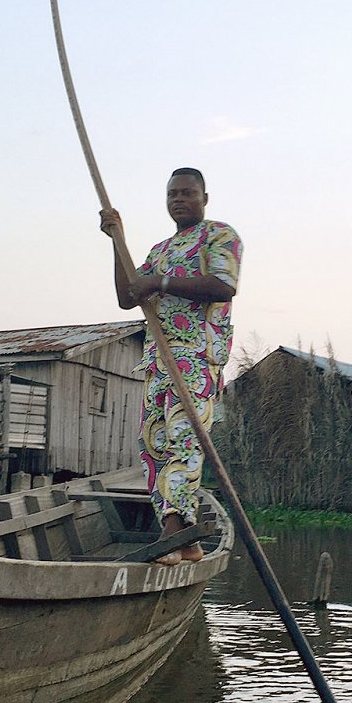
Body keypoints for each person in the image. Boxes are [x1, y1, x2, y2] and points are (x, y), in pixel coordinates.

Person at [100, 168, 242, 565]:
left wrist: (160, 283)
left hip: (196, 357)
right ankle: (187, 541)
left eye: (186, 193)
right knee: (154, 445)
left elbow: (222, 285)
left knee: (185, 439)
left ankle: (173, 532)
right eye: (172, 195)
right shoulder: (160, 250)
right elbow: (128, 296)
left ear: (204, 197)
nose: (178, 200)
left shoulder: (220, 235)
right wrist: (118, 241)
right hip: (159, 360)